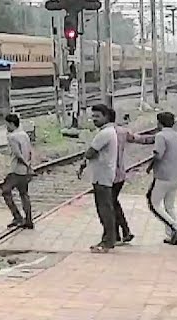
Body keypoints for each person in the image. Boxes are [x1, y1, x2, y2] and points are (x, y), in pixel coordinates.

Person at [128, 111, 177, 245]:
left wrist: (149, 167)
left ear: (159, 123)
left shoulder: (161, 136)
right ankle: (171, 235)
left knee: (153, 204)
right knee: (169, 206)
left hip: (163, 175)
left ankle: (174, 226)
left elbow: (158, 155)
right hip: (176, 175)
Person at [77, 103, 119, 253]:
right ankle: (108, 238)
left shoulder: (105, 133)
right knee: (105, 208)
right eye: (93, 116)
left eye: (97, 116)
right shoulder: (107, 131)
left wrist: (82, 163)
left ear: (106, 117)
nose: (94, 119)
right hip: (103, 175)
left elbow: (91, 151)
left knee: (104, 209)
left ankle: (108, 241)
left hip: (103, 176)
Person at [1, 113, 35, 229]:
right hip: (25, 171)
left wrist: (25, 163)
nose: (6, 127)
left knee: (5, 191)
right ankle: (29, 220)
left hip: (16, 170)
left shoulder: (12, 137)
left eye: (7, 124)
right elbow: (30, 151)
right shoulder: (24, 135)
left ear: (11, 124)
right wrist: (29, 165)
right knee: (24, 194)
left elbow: (17, 154)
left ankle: (17, 216)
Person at [108, 115, 137, 245]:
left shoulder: (105, 133)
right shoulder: (123, 131)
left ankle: (122, 233)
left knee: (111, 204)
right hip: (120, 174)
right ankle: (122, 233)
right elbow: (139, 139)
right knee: (113, 203)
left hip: (109, 176)